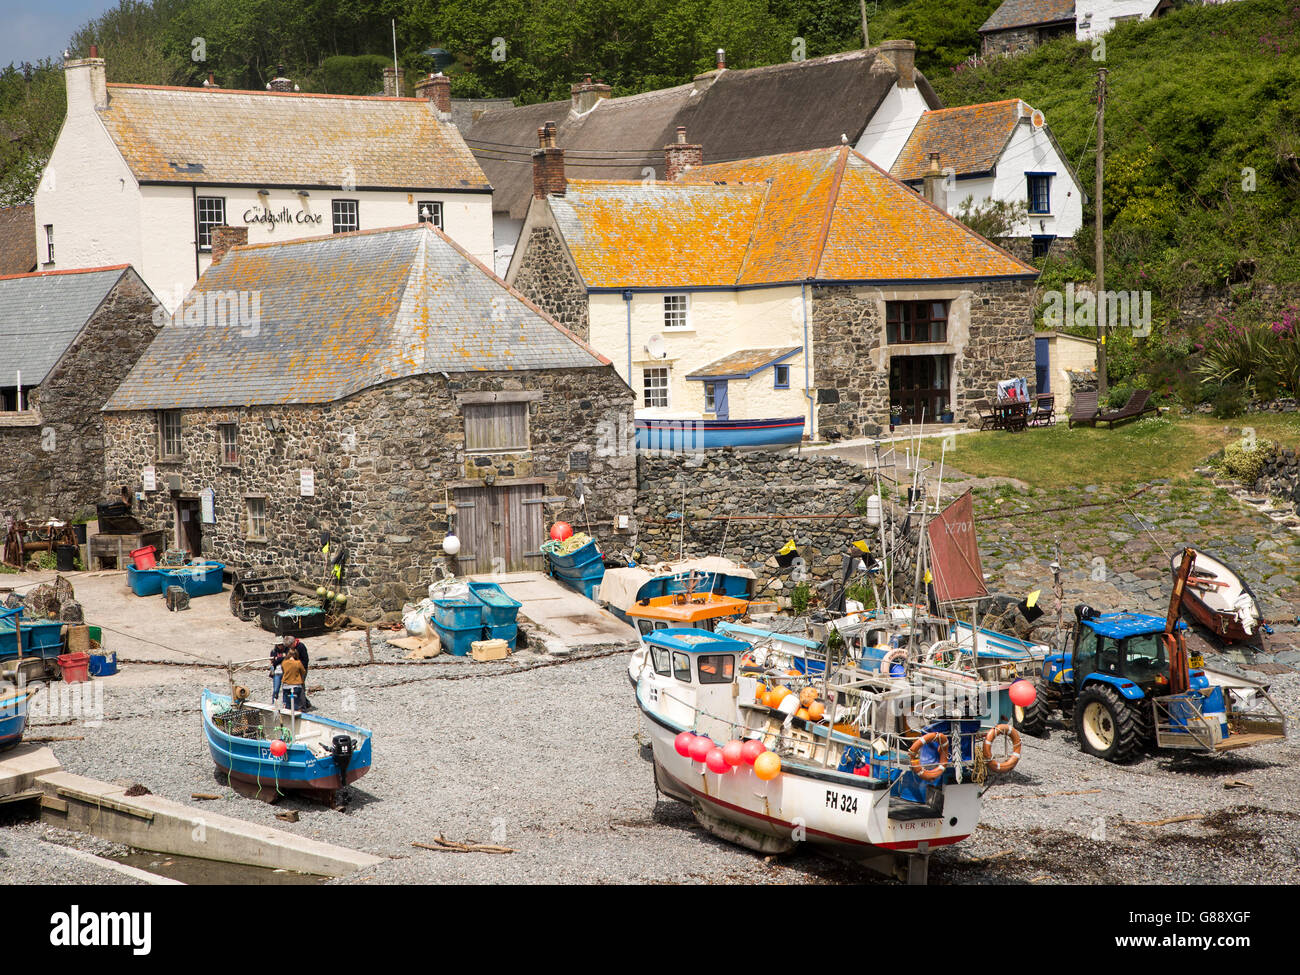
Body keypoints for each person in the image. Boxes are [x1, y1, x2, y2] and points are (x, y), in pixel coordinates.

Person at [281, 634, 311, 710]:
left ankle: (303, 706)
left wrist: (297, 665)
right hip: (291, 669)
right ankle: (305, 703)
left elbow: (305, 660)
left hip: (301, 669)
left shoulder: (301, 646)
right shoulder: (287, 648)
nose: (289, 648)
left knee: (300, 687)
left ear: (293, 643)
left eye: (290, 646)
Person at [280, 647, 306, 713]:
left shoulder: (284, 662)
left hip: (286, 685)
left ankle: (288, 719)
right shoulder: (298, 663)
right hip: (296, 685)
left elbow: (283, 671)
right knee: (297, 704)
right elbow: (303, 671)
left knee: (287, 704)